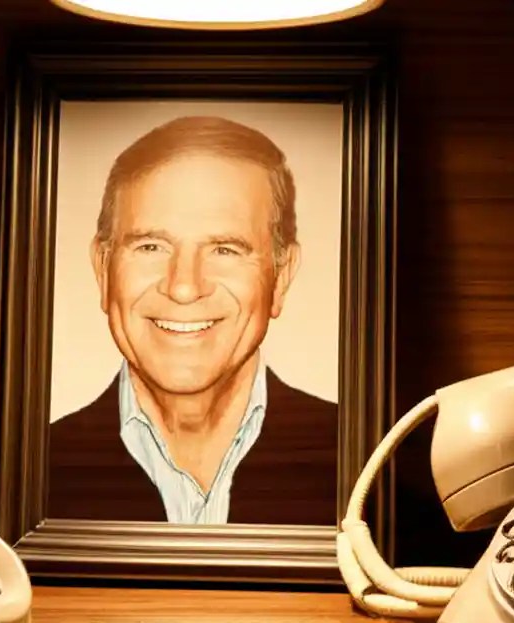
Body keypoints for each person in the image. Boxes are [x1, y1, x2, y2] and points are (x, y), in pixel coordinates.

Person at [48, 115, 339, 526]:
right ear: (102, 268)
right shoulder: (28, 479)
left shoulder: (371, 472)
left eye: (225, 249)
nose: (184, 287)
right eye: (151, 246)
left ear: (283, 274)